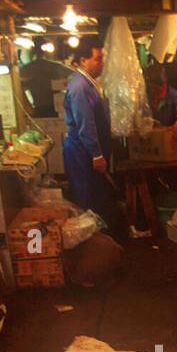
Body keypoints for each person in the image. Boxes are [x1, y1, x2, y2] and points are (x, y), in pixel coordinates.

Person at [62, 36, 122, 237]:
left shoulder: (90, 83)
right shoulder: (79, 87)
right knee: (87, 197)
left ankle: (98, 237)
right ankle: (89, 240)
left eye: (102, 58)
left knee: (96, 195)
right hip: (82, 151)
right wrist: (96, 154)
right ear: (83, 60)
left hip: (88, 150)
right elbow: (85, 124)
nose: (101, 63)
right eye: (97, 59)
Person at [144, 63, 177, 128]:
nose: (153, 91)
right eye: (151, 88)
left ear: (163, 85)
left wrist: (171, 130)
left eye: (156, 88)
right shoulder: (146, 95)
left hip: (167, 135)